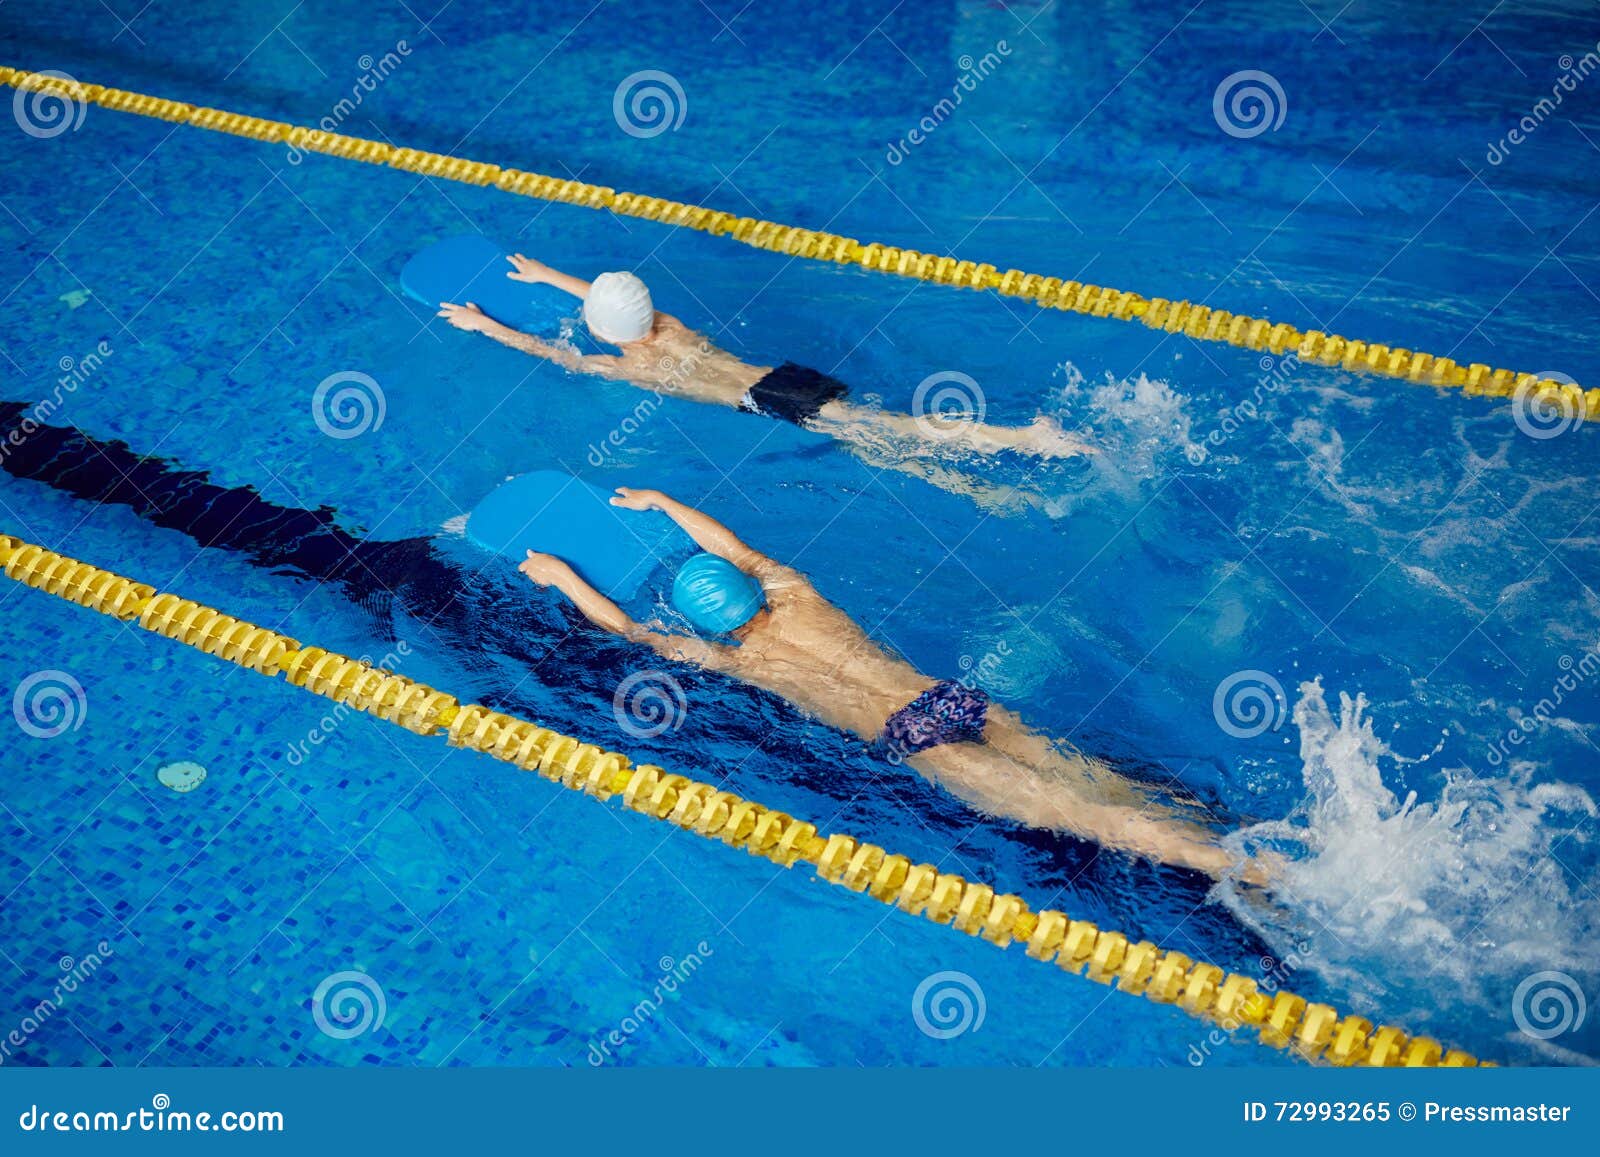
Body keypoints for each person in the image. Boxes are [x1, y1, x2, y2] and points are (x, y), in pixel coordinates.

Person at [517, 485, 1242, 877]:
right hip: (949, 697)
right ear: (747, 584)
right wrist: (663, 502)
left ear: (709, 622)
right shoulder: (797, 593)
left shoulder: (734, 659)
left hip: (911, 738)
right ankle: (1218, 835)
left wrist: (560, 575)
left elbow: (628, 631)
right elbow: (733, 545)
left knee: (1078, 816)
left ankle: (1235, 866)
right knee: (1089, 778)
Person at [436, 255, 1090, 460]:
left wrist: (482, 323)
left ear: (605, 332)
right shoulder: (668, 324)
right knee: (880, 439)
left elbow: (550, 353)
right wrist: (550, 276)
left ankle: (1025, 437)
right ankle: (976, 483)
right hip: (785, 375)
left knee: (898, 431)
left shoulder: (624, 367)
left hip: (770, 403)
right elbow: (620, 306)